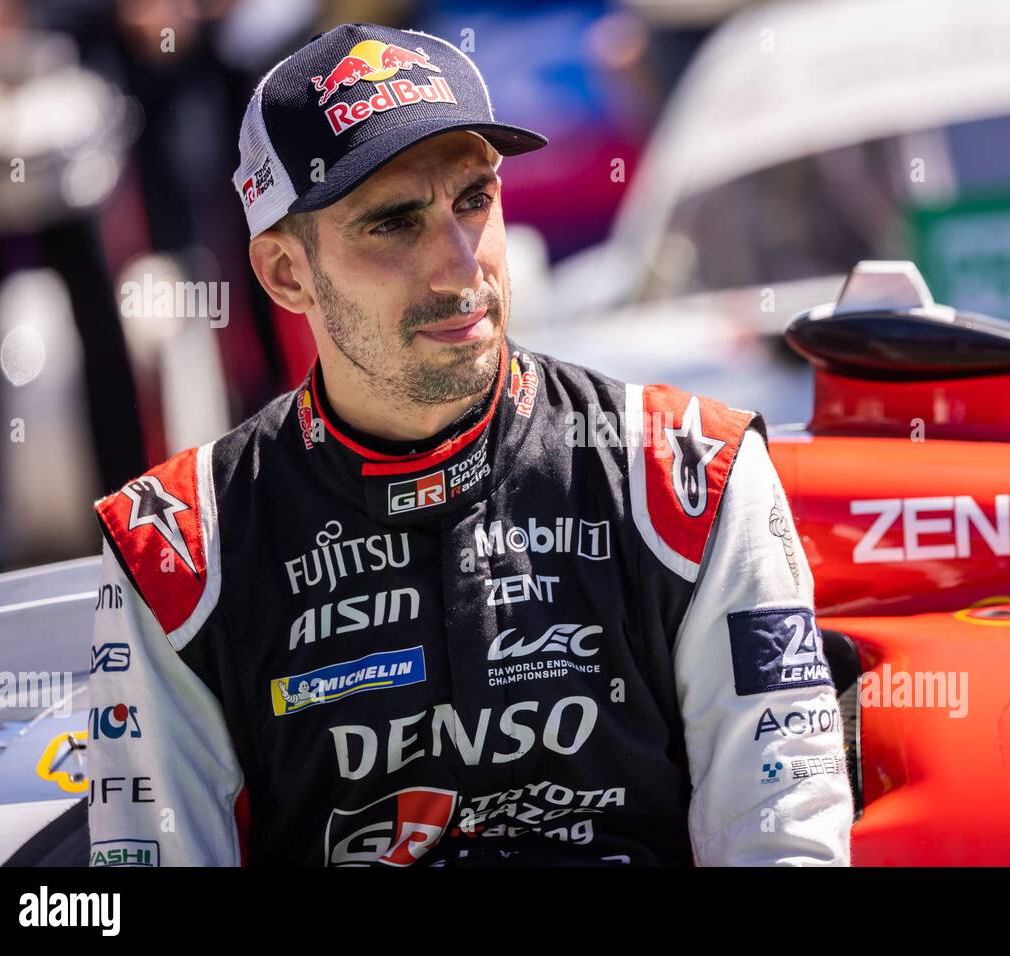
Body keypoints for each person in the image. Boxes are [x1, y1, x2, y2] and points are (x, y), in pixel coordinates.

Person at [86, 23, 853, 866]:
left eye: (473, 200)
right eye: (393, 224)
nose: (460, 269)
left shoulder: (687, 471)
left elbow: (781, 832)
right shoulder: (179, 549)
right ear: (284, 274)